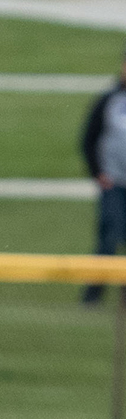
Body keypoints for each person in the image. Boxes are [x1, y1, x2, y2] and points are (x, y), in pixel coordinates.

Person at [81, 47, 126, 304]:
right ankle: (93, 295)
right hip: (114, 183)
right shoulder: (108, 100)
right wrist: (98, 173)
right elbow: (88, 139)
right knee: (108, 237)